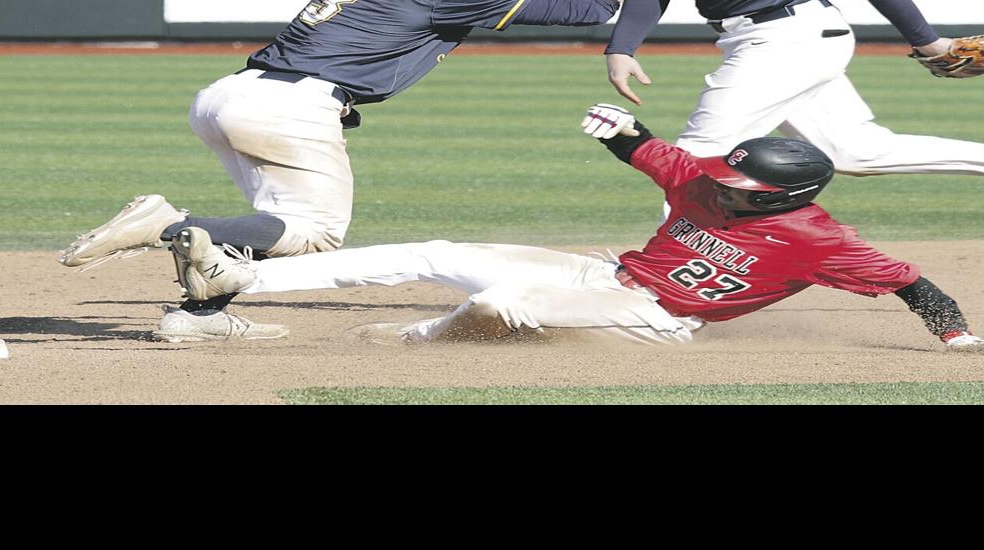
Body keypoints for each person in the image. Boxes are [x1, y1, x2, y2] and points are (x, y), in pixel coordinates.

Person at [154, 103, 984, 350]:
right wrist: (615, 129)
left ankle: (403, 344)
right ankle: (242, 280)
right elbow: (647, 151)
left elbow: (913, 284)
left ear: (783, 197)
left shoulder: (822, 239)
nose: (719, 188)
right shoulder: (705, 179)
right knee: (438, 252)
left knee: (500, 305)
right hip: (603, 275)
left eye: (740, 187)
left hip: (658, 323)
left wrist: (960, 343)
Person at [58, 0, 623, 341]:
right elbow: (591, 9)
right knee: (314, 234)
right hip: (291, 107)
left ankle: (198, 313)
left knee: (274, 222)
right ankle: (164, 224)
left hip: (231, 93)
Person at [603, 0, 984, 238]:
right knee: (858, 151)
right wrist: (622, 46)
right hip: (773, 39)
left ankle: (659, 287)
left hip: (785, 39)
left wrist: (925, 38)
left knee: (694, 158)